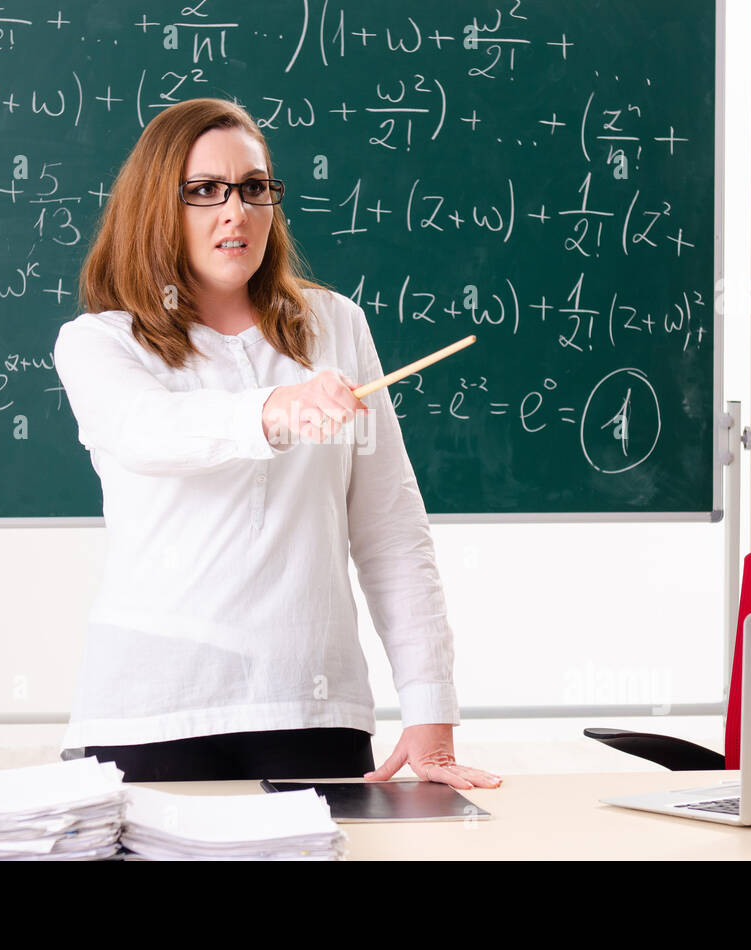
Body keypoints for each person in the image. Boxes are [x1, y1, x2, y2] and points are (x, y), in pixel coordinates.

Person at [54, 97, 500, 790]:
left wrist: (430, 705)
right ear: (156, 206)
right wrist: (275, 407)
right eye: (204, 191)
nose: (236, 211)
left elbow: (391, 531)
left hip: (314, 711)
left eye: (254, 188)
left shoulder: (335, 326)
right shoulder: (100, 341)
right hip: (147, 716)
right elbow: (145, 432)